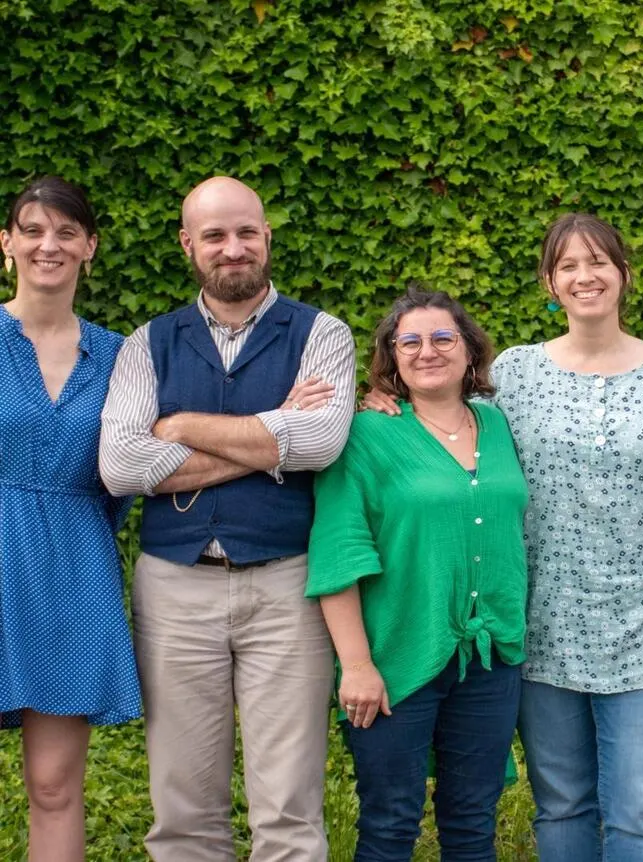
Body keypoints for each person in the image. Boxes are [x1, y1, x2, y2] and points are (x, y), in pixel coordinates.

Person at [366, 212, 643, 861]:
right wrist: (381, 398)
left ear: (624, 274)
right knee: (560, 804)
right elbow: (446, 426)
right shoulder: (515, 374)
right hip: (542, 621)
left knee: (641, 809)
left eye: (598, 262)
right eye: (568, 265)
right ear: (549, 283)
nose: (585, 276)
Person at [98, 176, 355, 862]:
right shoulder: (147, 342)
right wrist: (273, 437)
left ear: (267, 236)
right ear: (189, 245)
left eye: (246, 231)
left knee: (290, 813)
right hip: (175, 588)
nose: (233, 247)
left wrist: (178, 428)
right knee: (182, 812)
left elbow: (322, 442)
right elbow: (122, 466)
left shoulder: (320, 333)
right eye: (214, 235)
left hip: (287, 587)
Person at [307, 287, 528, 861]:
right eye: (410, 341)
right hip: (395, 658)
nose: (427, 351)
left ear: (470, 350)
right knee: (389, 823)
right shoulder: (363, 435)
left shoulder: (498, 425)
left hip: (488, 658)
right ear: (392, 357)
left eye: (442, 338)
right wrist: (356, 665)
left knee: (473, 820)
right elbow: (339, 554)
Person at [0, 176, 141, 862]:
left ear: (89, 247)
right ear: (7, 244)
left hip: (72, 576)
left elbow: (137, 462)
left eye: (64, 232)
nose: (47, 245)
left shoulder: (121, 357)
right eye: (31, 230)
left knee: (55, 786)